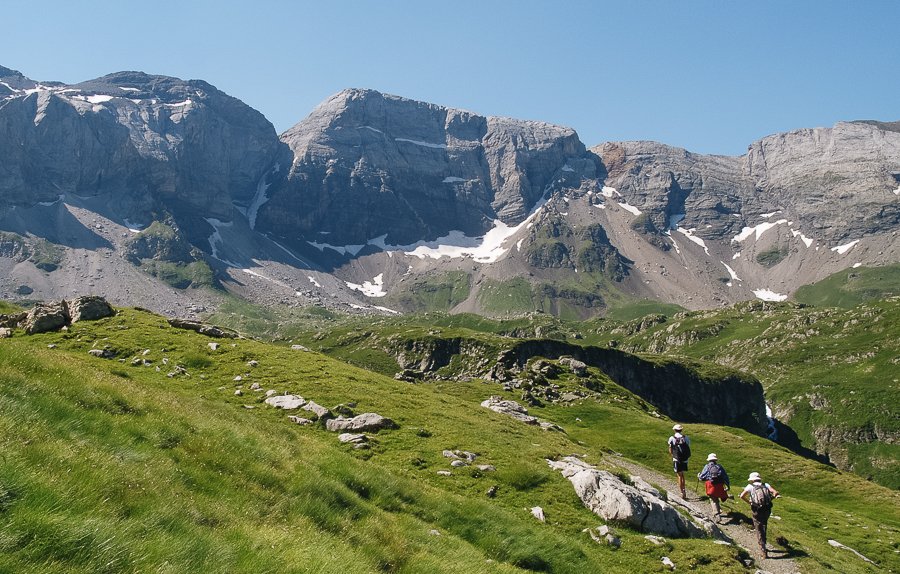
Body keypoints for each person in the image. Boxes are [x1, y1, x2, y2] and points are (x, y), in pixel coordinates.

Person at [739, 472, 780, 559]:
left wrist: (749, 502)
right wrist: (771, 498)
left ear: (752, 479)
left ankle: (763, 550)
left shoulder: (750, 486)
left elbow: (742, 496)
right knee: (764, 524)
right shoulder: (766, 485)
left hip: (757, 510)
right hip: (767, 509)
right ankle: (764, 542)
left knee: (758, 527)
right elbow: (775, 492)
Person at [697, 453, 730, 521]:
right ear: (715, 460)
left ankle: (717, 514)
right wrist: (728, 485)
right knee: (717, 497)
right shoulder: (719, 466)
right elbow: (725, 476)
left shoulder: (707, 466)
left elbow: (702, 477)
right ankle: (724, 497)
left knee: (713, 499)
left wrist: (699, 476)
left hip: (711, 485)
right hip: (720, 485)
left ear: (709, 460)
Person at [667, 424, 691, 498]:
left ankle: (682, 492)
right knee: (682, 475)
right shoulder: (686, 438)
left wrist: (673, 455)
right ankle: (684, 490)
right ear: (681, 430)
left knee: (679, 475)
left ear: (674, 430)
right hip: (685, 459)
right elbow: (688, 446)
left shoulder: (672, 438)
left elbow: (670, 449)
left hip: (677, 459)